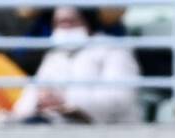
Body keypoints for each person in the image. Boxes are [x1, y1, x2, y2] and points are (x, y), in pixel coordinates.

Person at [10, 6, 142, 123]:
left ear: (87, 21)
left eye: (71, 22)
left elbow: (119, 99)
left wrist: (66, 102)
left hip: (112, 135)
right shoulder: (54, 55)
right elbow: (28, 99)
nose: (65, 28)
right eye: (59, 23)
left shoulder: (114, 50)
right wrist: (38, 102)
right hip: (63, 131)